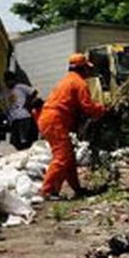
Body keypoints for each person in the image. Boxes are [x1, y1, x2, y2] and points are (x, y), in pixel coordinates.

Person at [38, 53, 105, 198]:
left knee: (68, 157)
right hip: (55, 120)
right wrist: (104, 109)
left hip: (50, 118)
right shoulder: (79, 83)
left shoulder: (68, 80)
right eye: (87, 68)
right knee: (62, 156)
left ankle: (76, 188)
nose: (89, 71)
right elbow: (88, 107)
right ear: (82, 68)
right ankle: (47, 190)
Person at [3, 71, 38, 151]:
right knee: (15, 141)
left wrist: (27, 103)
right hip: (14, 119)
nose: (8, 83)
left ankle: (26, 153)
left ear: (14, 80)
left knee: (24, 140)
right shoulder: (6, 91)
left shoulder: (20, 87)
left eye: (10, 80)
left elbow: (34, 92)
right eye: (6, 81)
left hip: (24, 117)